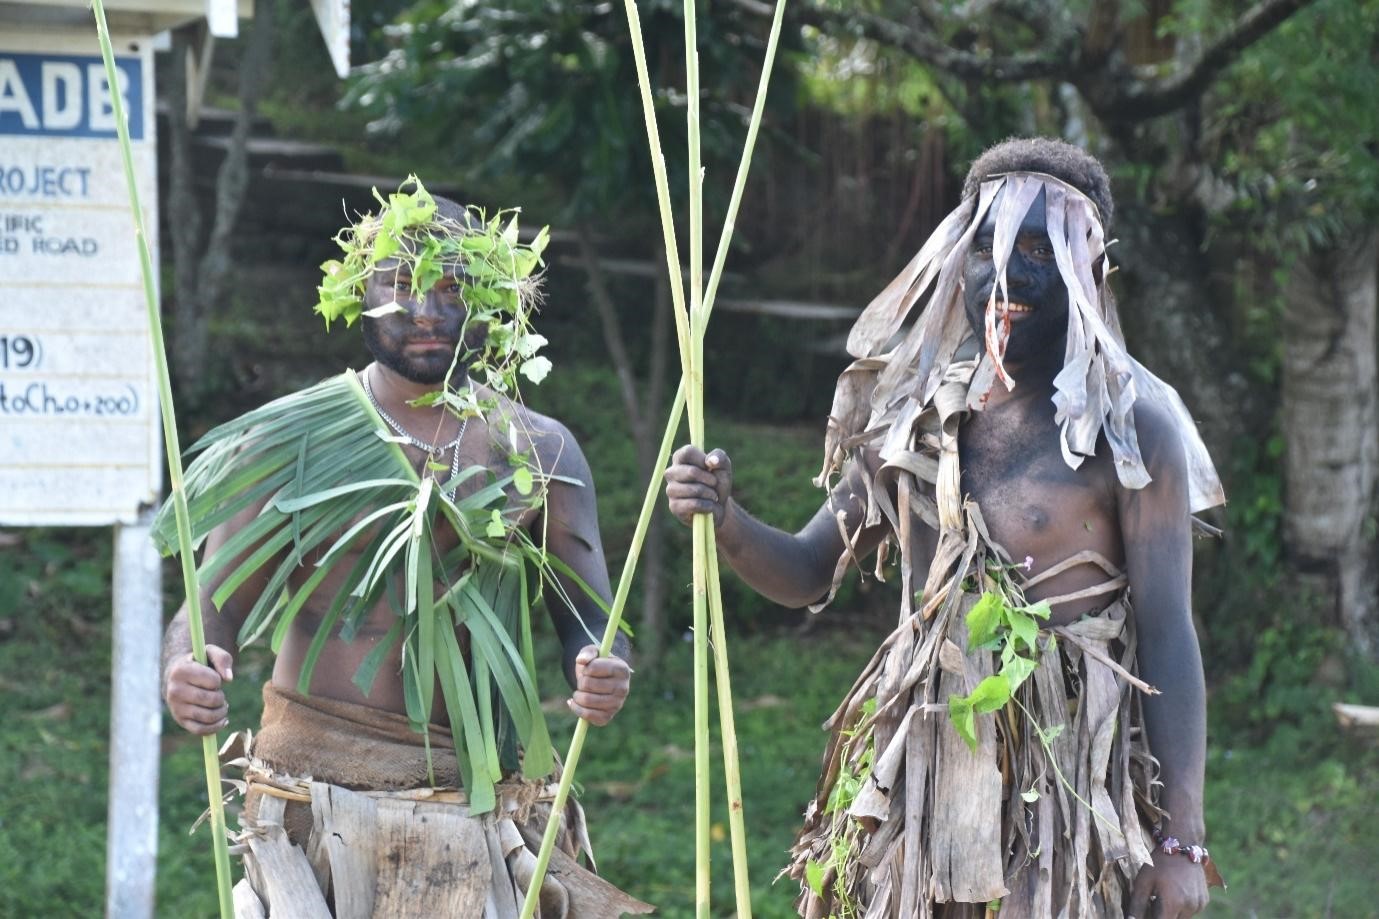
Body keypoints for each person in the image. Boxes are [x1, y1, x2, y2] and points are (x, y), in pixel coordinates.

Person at [666, 138, 1225, 918]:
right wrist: (725, 519)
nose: (1010, 275)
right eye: (991, 249)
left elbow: (1168, 629)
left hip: (1060, 810)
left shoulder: (1130, 428)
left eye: (1040, 250)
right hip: (919, 794)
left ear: (1088, 268)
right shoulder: (911, 418)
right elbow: (800, 573)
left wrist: (1180, 842)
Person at [159, 185, 652, 918]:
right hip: (314, 799)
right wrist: (185, 667)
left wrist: (599, 668)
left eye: (452, 286)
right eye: (400, 284)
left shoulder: (538, 450)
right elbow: (206, 613)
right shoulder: (291, 441)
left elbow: (587, 622)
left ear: (492, 297)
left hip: (473, 801)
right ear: (361, 292)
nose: (425, 310)